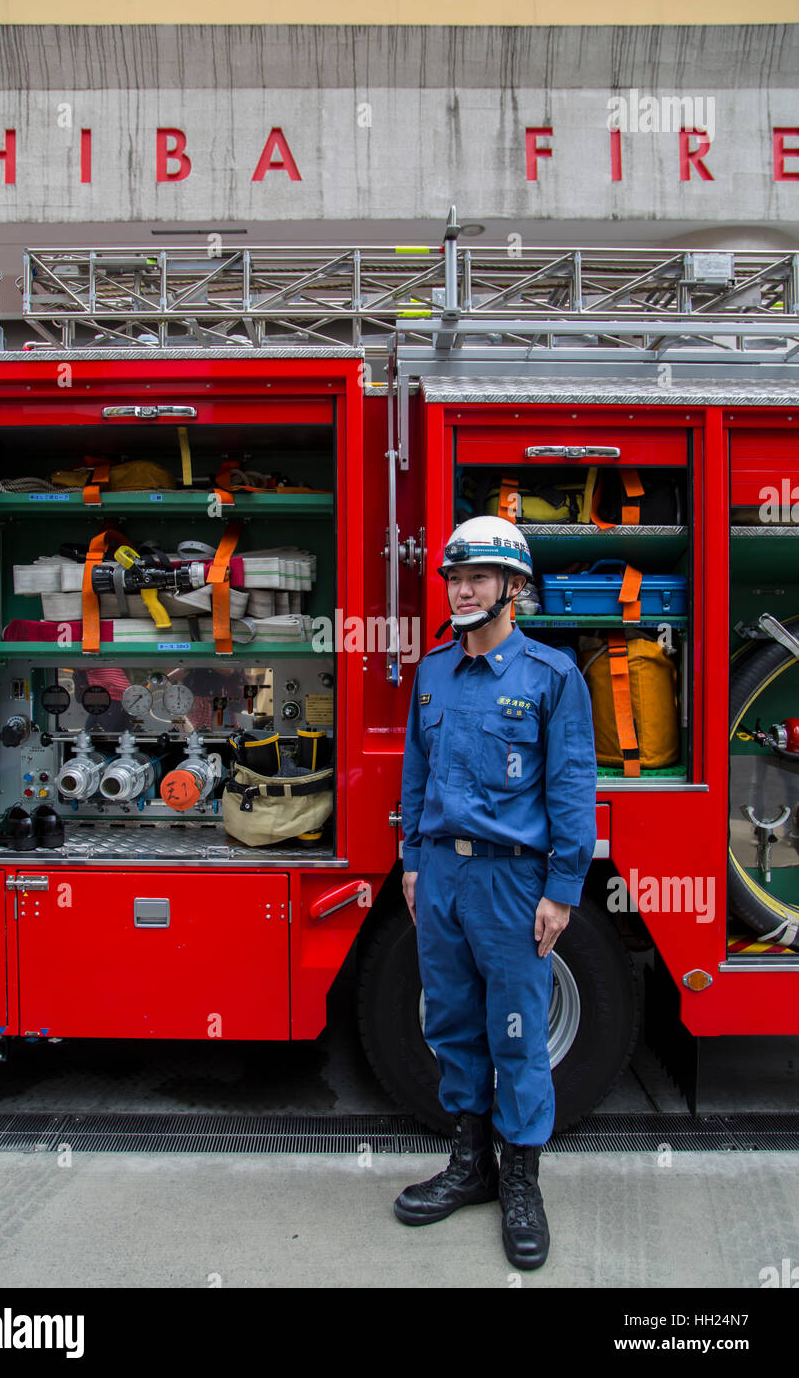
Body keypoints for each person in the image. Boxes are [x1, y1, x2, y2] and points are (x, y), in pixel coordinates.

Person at [396, 515, 597, 1270]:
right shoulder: (432, 673)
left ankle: (521, 1182)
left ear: (514, 586)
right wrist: (412, 862)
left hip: (513, 882)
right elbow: (415, 774)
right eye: (454, 578)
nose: (462, 590)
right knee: (452, 1025)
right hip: (441, 876)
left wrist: (563, 889)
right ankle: (470, 1165)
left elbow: (573, 785)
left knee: (516, 1032)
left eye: (477, 577)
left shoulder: (552, 676)